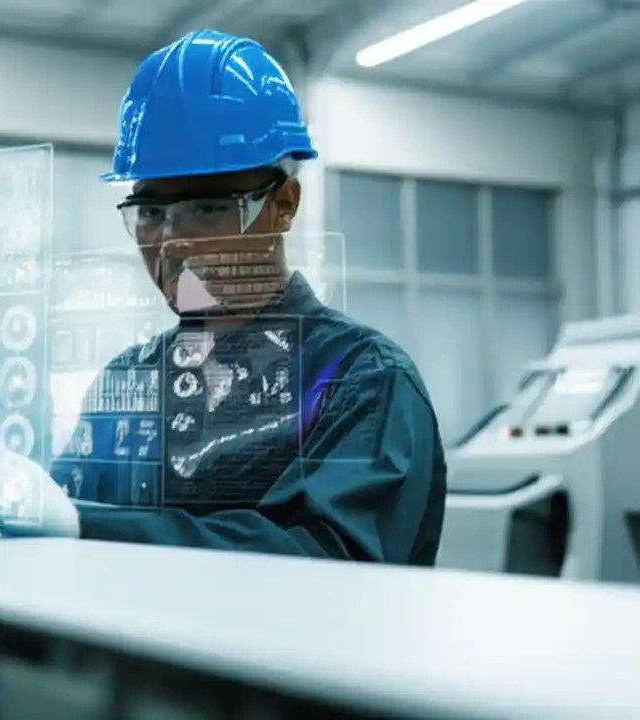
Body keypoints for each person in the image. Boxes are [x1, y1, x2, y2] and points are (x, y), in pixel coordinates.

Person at [46, 29, 447, 565]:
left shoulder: (361, 382)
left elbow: (325, 565)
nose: (171, 242)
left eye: (207, 208)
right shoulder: (130, 381)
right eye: (149, 213)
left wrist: (79, 525)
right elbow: (54, 532)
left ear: (284, 204)